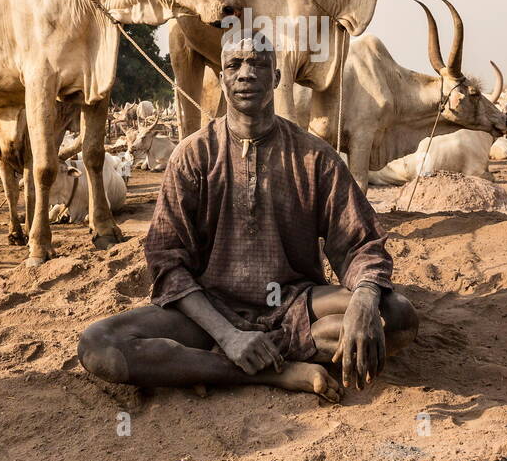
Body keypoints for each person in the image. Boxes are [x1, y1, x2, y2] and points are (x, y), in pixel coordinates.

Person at [78, 29, 417, 401]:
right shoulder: (193, 156)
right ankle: (274, 372)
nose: (246, 73)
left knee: (396, 316)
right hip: (210, 310)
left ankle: (241, 358)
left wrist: (365, 299)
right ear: (222, 78)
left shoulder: (313, 156)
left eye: (258, 63)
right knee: (99, 344)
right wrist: (229, 336)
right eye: (234, 65)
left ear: (275, 77)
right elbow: (167, 261)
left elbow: (360, 243)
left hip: (295, 304)